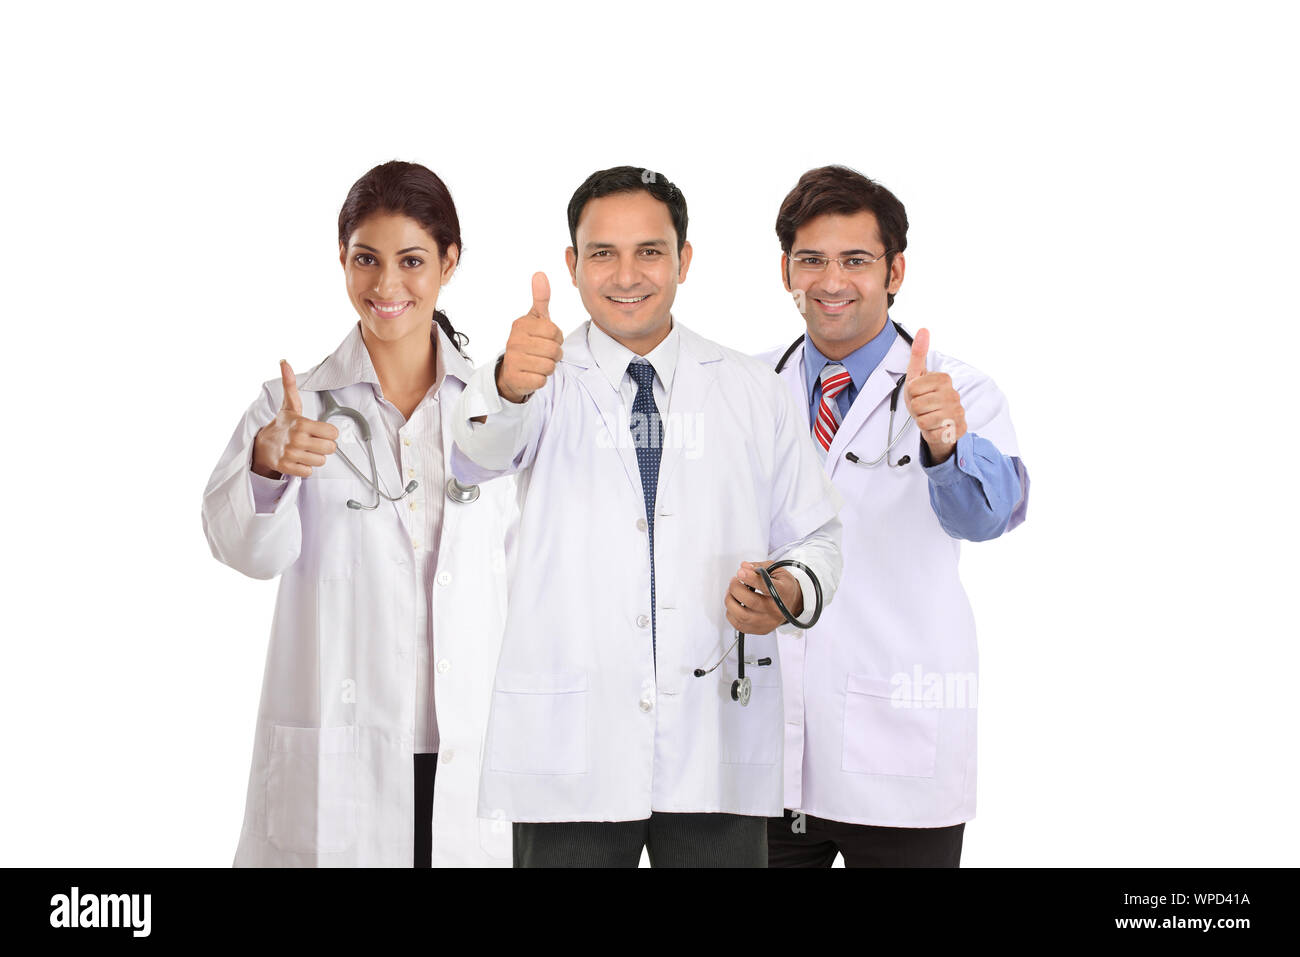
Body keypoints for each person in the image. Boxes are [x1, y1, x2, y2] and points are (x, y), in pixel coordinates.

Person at [450, 166, 843, 868]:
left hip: (716, 738)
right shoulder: (537, 376)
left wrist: (790, 589)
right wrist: (507, 384)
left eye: (650, 252)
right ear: (572, 265)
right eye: (602, 253)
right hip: (571, 747)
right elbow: (475, 456)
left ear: (684, 260)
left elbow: (817, 534)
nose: (626, 274)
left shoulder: (752, 389)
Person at [201, 161, 515, 867]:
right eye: (364, 260)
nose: (385, 286)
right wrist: (268, 461)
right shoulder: (293, 407)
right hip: (340, 755)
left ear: (450, 262)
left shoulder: (495, 408)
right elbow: (242, 549)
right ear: (341, 261)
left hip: (468, 752)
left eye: (411, 261)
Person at [761, 165, 1030, 867]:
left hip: (900, 744)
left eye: (856, 260)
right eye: (811, 260)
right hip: (764, 755)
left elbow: (990, 516)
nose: (831, 281)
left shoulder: (958, 389)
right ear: (786, 269)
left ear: (895, 270)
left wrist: (945, 443)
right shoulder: (748, 388)